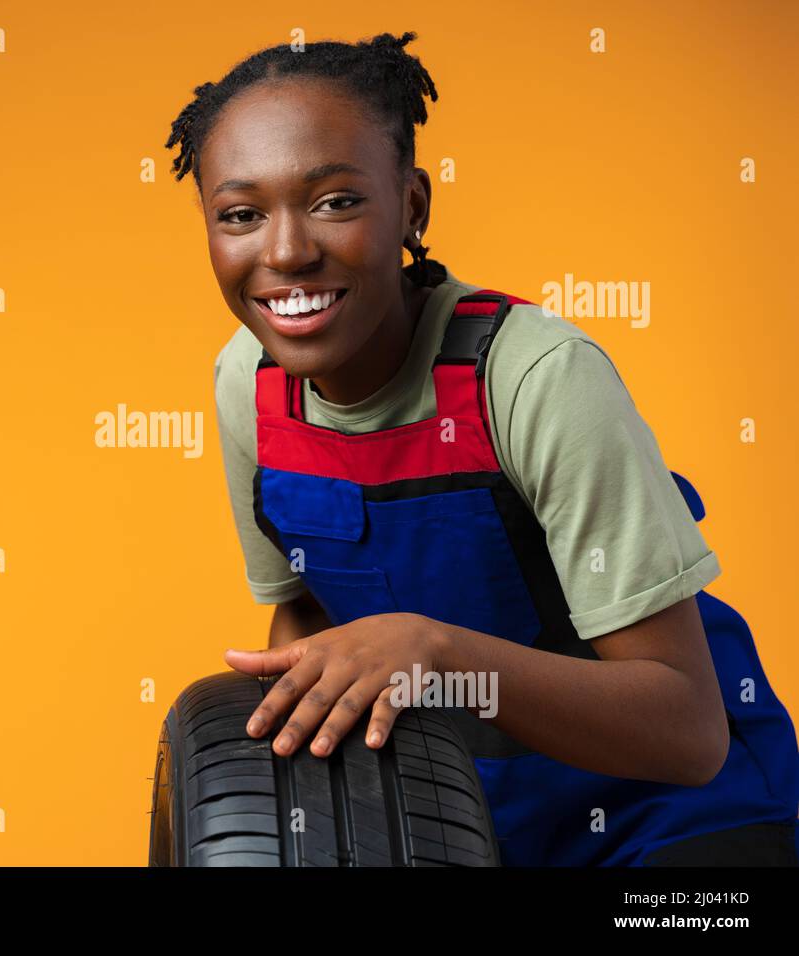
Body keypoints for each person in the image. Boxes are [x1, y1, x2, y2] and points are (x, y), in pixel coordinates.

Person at [165, 31, 799, 866]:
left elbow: (687, 731)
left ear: (413, 207)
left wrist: (440, 653)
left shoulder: (535, 379)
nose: (285, 252)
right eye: (240, 215)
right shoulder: (246, 382)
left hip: (678, 824)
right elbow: (307, 618)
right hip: (459, 827)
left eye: (335, 201)